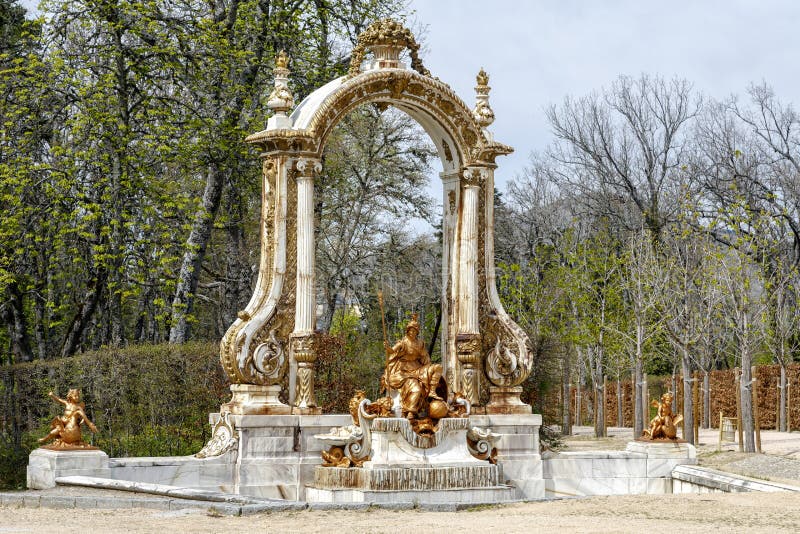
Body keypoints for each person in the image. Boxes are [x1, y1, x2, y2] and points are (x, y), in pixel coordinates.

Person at [383, 313, 444, 420]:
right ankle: (410, 411)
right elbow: (392, 350)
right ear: (407, 331)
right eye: (411, 330)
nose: (412, 332)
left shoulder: (420, 343)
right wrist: (387, 348)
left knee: (438, 367)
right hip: (404, 371)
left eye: (415, 331)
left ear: (417, 332)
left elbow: (425, 358)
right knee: (416, 389)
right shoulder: (403, 343)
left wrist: (428, 369)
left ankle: (432, 391)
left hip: (417, 369)